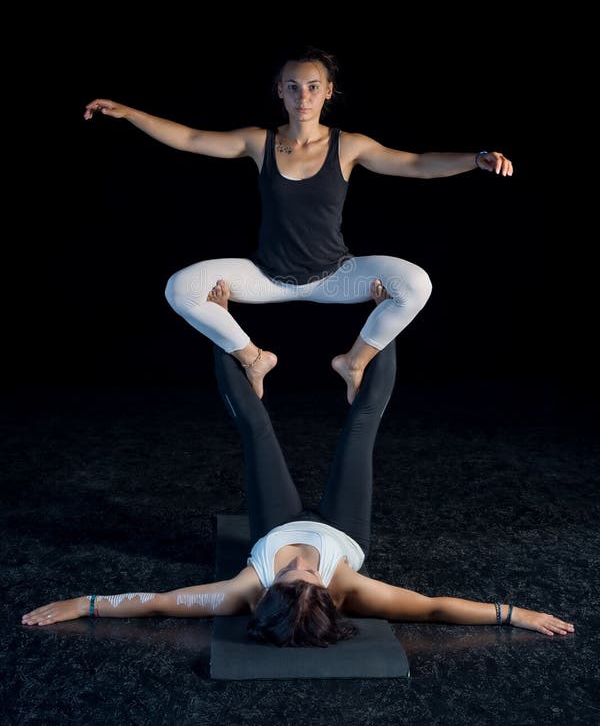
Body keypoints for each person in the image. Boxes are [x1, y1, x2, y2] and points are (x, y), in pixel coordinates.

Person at [22, 283, 573, 645]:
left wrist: (84, 603)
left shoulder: (244, 590)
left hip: (275, 524)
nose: (298, 567)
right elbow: (432, 610)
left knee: (254, 429)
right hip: (344, 529)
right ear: (328, 593)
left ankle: (226, 328)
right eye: (309, 575)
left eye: (290, 575)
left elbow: (154, 605)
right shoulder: (351, 589)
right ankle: (381, 319)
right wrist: (513, 614)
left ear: (267, 593)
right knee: (361, 430)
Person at [83, 48, 513, 403]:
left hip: (336, 278)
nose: (302, 96)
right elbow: (192, 139)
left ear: (328, 92)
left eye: (311, 87)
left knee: (415, 283)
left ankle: (354, 361)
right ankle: (254, 358)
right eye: (292, 87)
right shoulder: (260, 141)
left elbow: (417, 165)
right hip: (266, 276)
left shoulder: (349, 145)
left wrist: (474, 159)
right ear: (280, 92)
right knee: (180, 288)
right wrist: (131, 113)